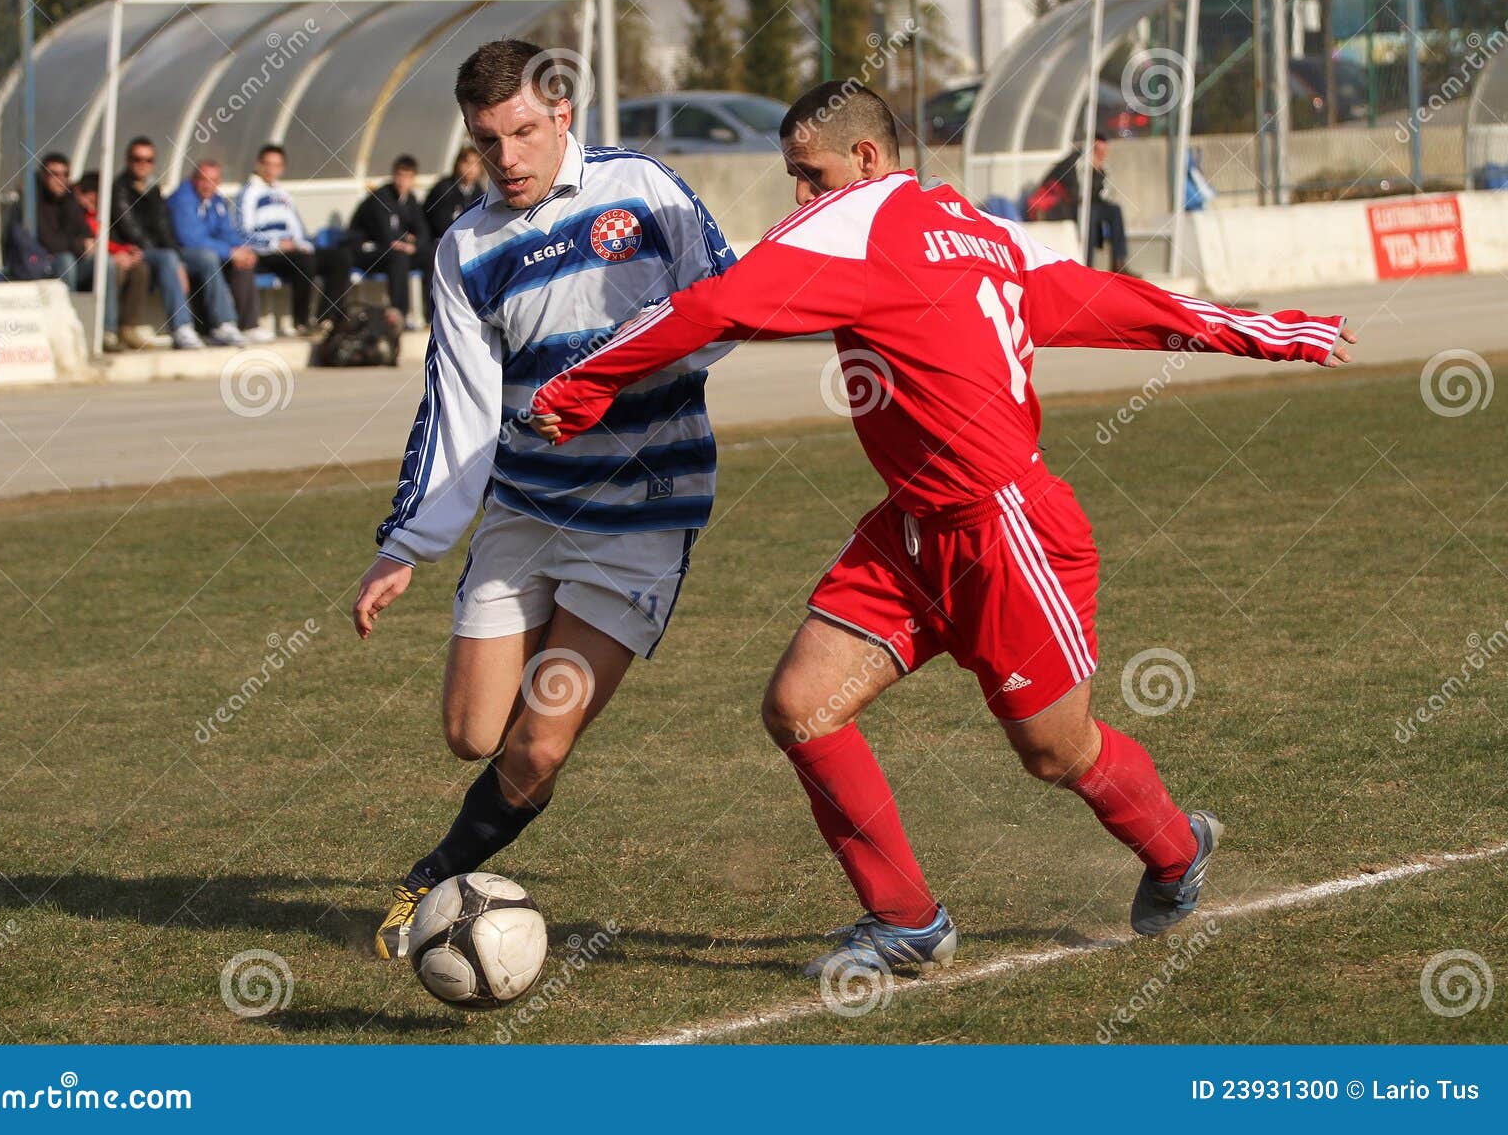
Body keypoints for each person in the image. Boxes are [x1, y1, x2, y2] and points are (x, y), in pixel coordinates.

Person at [531, 83, 1357, 976]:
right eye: (793, 182)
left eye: (809, 175)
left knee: (1055, 750)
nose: (799, 200)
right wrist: (1266, 331)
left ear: (866, 160)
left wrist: (578, 385)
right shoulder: (977, 229)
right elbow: (1112, 298)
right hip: (916, 526)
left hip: (1008, 529)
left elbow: (711, 306)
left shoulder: (854, 221)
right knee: (801, 709)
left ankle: (1175, 846)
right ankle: (907, 919)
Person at [349, 38, 735, 962]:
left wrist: (618, 368)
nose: (508, 158)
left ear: (562, 114)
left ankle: (431, 881)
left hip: (639, 514)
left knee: (536, 746)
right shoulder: (465, 248)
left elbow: (726, 305)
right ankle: (483, 837)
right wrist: (407, 542)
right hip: (526, 511)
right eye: (488, 142)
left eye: (523, 132)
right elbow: (459, 403)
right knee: (471, 731)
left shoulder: (641, 190)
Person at [109, 137, 246, 349]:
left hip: (165, 251)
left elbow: (166, 229)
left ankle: (224, 323)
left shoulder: (153, 190)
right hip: (137, 252)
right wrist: (174, 261)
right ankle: (181, 327)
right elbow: (134, 232)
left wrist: (180, 259)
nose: (142, 164)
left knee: (206, 257)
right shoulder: (119, 190)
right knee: (169, 259)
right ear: (128, 160)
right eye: (137, 159)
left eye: (148, 160)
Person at [236, 144, 352, 334]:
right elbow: (243, 233)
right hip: (267, 254)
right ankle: (301, 322)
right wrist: (275, 244)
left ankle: (325, 318)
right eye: (267, 164)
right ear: (259, 164)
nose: (271, 170)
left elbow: (298, 229)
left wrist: (301, 244)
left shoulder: (283, 194)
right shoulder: (249, 193)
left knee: (340, 258)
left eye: (277, 165)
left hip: (292, 249)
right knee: (304, 262)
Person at [34, 152, 133, 350]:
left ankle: (108, 331)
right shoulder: (35, 201)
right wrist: (79, 245)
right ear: (44, 176)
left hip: (74, 260)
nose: (60, 179)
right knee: (66, 261)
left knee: (105, 263)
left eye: (65, 174)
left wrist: (82, 245)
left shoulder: (70, 200)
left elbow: (87, 235)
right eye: (54, 174)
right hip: (45, 265)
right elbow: (48, 241)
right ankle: (67, 329)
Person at [169, 160, 273, 344]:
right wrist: (229, 252)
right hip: (182, 253)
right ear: (193, 179)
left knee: (244, 261)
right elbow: (191, 239)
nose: (208, 185)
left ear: (218, 182)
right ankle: (223, 324)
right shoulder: (182, 199)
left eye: (213, 180)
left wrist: (242, 248)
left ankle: (248, 325)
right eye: (203, 179)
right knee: (209, 258)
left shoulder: (216, 201)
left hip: (207, 252)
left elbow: (227, 231)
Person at [346, 154, 434, 330]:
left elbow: (423, 231)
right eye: (400, 175)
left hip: (394, 251)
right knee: (399, 257)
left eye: (408, 177)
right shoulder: (380, 198)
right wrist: (406, 240)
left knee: (431, 255)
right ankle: (400, 314)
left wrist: (414, 245)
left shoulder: (410, 200)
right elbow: (385, 235)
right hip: (366, 252)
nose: (403, 181)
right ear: (394, 175)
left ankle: (431, 315)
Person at [73, 172, 159, 350]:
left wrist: (126, 251)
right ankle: (107, 329)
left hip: (107, 257)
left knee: (140, 269)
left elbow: (108, 239)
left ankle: (128, 327)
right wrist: (116, 255)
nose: (92, 202)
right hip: (82, 265)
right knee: (112, 268)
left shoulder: (102, 212)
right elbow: (90, 243)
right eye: (89, 196)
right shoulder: (74, 212)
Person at [1037, 133, 1131, 272]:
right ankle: (1088, 264)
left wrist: (1099, 172)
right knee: (1090, 214)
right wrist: (1090, 168)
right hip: (1065, 206)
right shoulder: (1075, 162)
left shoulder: (1102, 168)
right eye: (1098, 151)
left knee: (1114, 210)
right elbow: (1077, 192)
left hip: (1088, 205)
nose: (1102, 155)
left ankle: (1119, 263)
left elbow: (1104, 195)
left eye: (1104, 152)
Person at [423, 146, 486, 236]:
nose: (470, 168)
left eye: (475, 164)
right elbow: (439, 223)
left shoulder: (481, 194)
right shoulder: (443, 189)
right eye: (466, 162)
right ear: (457, 164)